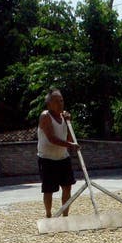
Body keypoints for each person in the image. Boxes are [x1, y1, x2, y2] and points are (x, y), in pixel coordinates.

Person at [37, 89, 80, 218]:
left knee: (67, 187)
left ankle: (65, 215)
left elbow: (69, 139)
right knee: (49, 189)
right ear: (49, 104)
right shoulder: (45, 116)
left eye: (61, 100)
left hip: (63, 157)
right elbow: (52, 139)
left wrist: (69, 122)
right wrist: (70, 145)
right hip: (47, 159)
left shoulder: (64, 117)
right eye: (56, 101)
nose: (60, 104)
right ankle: (49, 215)